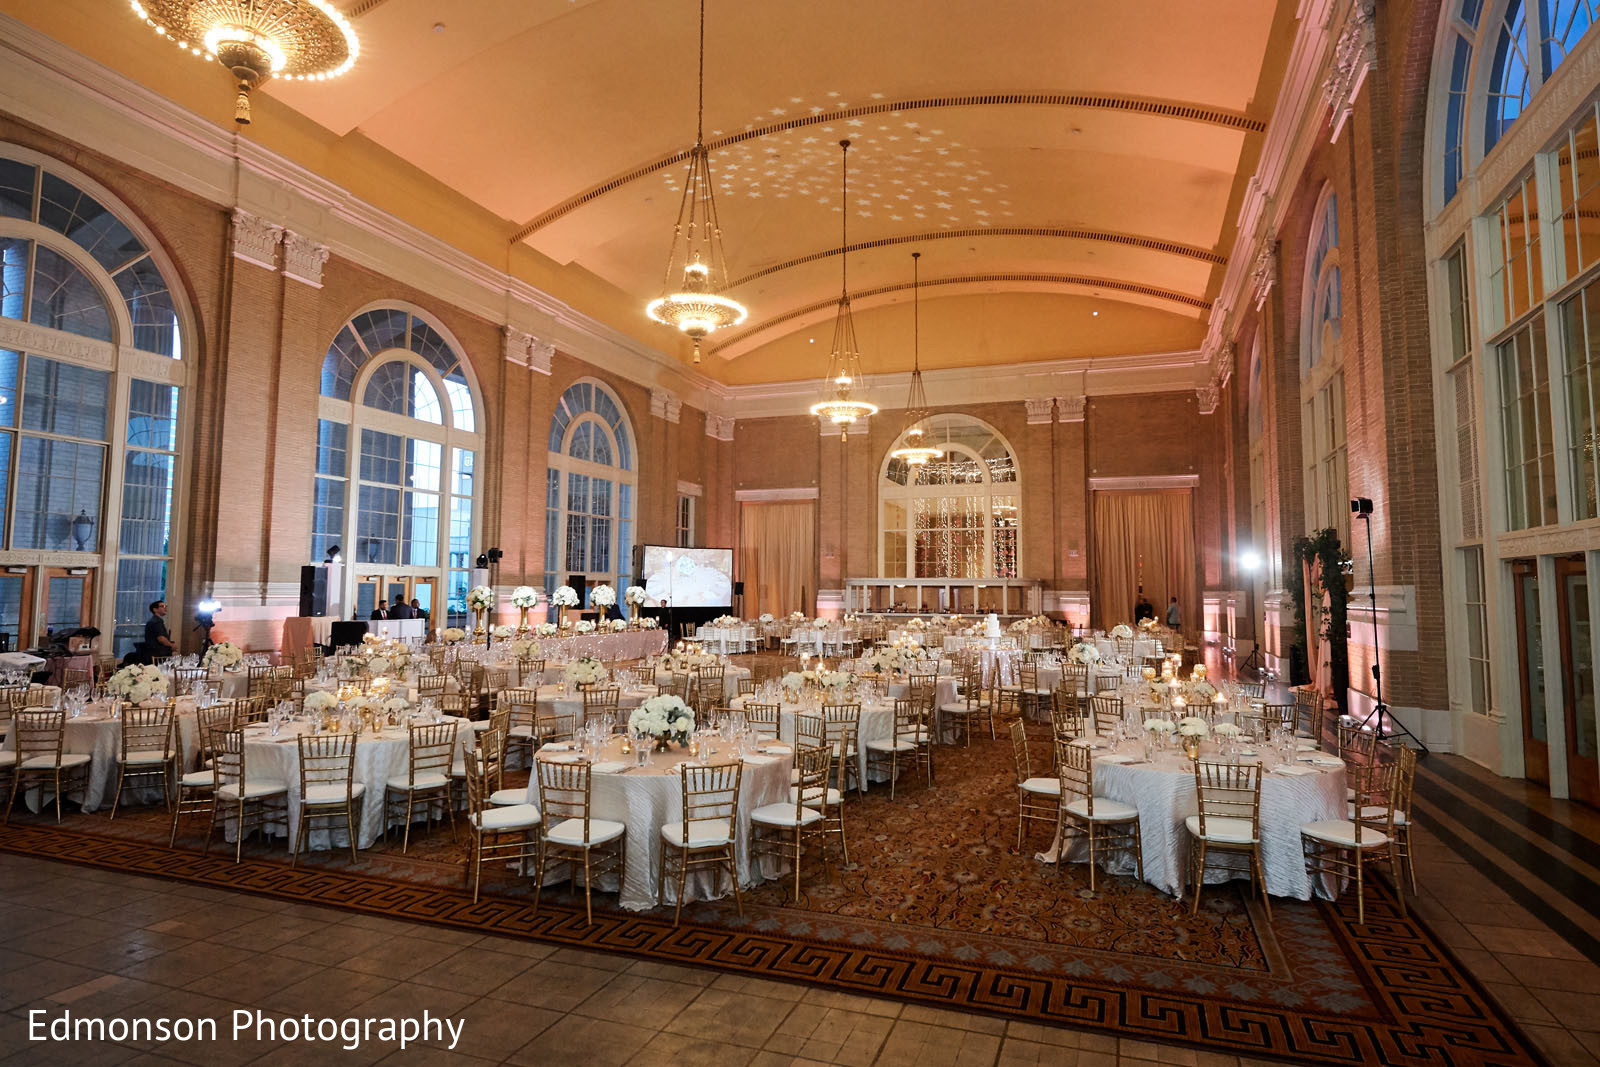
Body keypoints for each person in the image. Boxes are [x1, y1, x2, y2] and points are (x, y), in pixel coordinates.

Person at [122, 601, 173, 666]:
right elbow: (161, 638)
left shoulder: (156, 621)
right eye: (162, 606)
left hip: (156, 655)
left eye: (165, 606)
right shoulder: (156, 621)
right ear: (155, 609)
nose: (165, 608)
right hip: (157, 655)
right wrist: (171, 645)